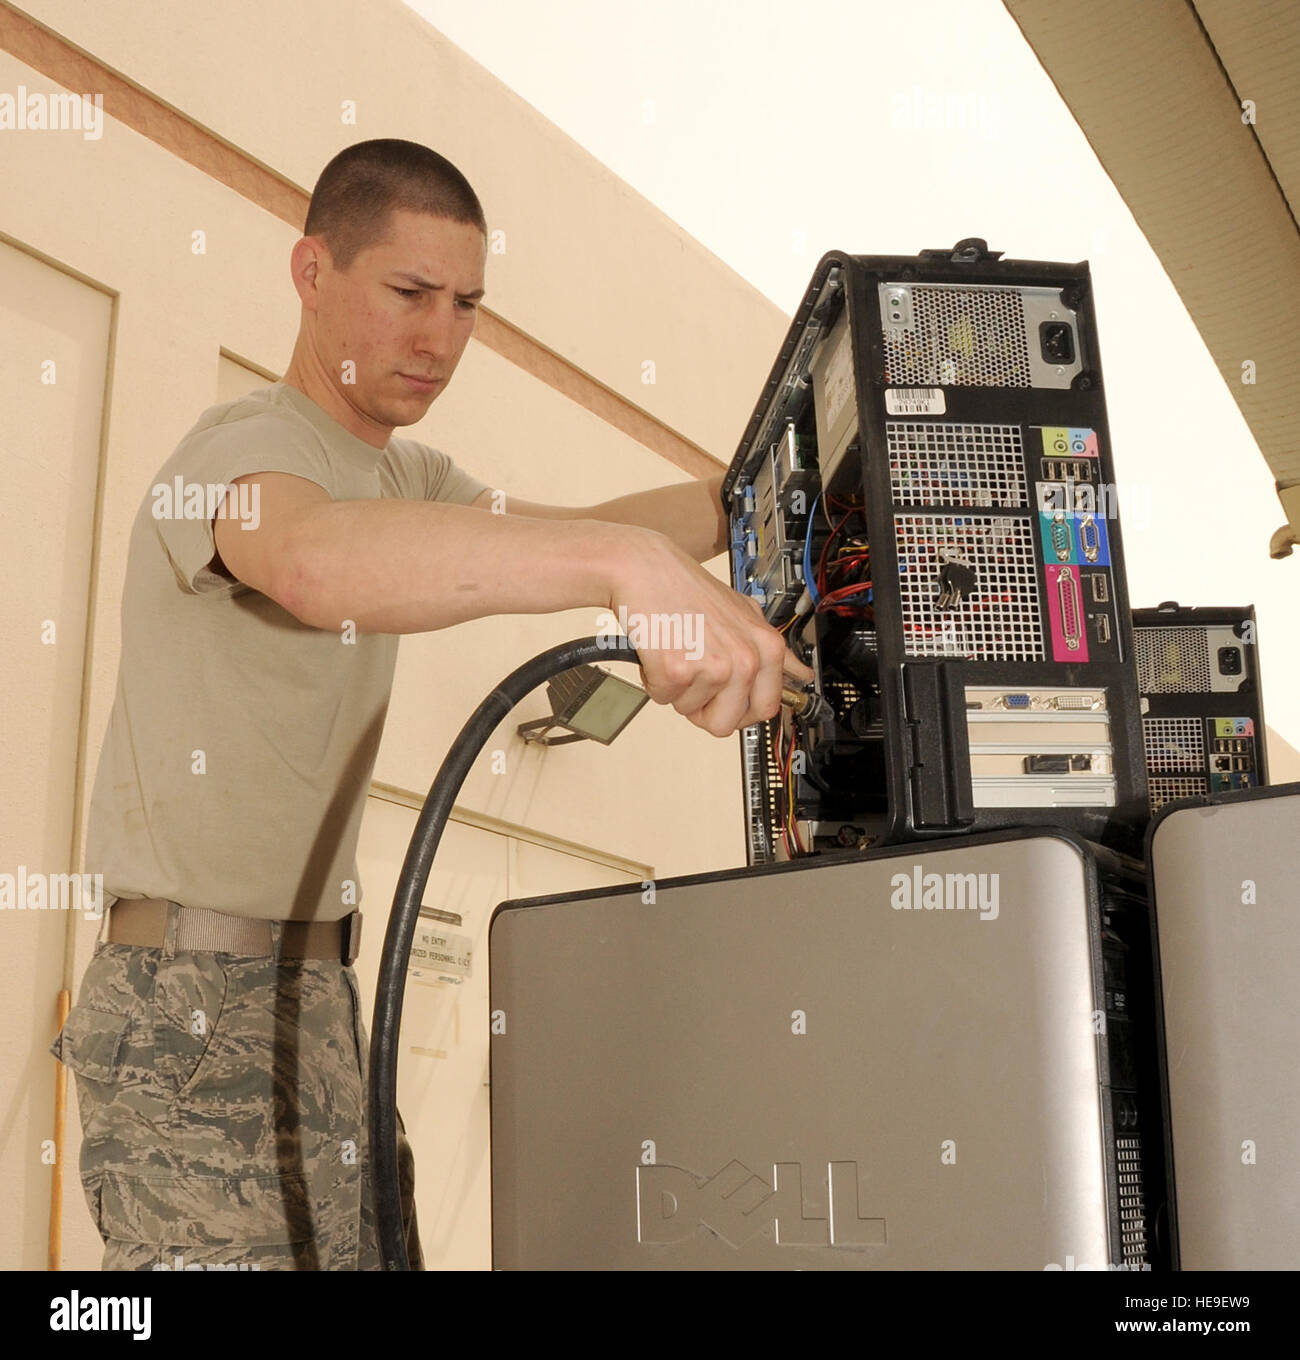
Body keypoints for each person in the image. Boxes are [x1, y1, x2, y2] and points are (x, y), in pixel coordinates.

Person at [50, 137, 813, 1270]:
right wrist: (619, 567)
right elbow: (309, 558)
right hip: (192, 1006)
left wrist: (748, 490)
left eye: (466, 304)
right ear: (311, 271)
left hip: (315, 997)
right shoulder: (244, 448)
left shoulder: (408, 479)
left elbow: (563, 528)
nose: (442, 337)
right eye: (410, 292)